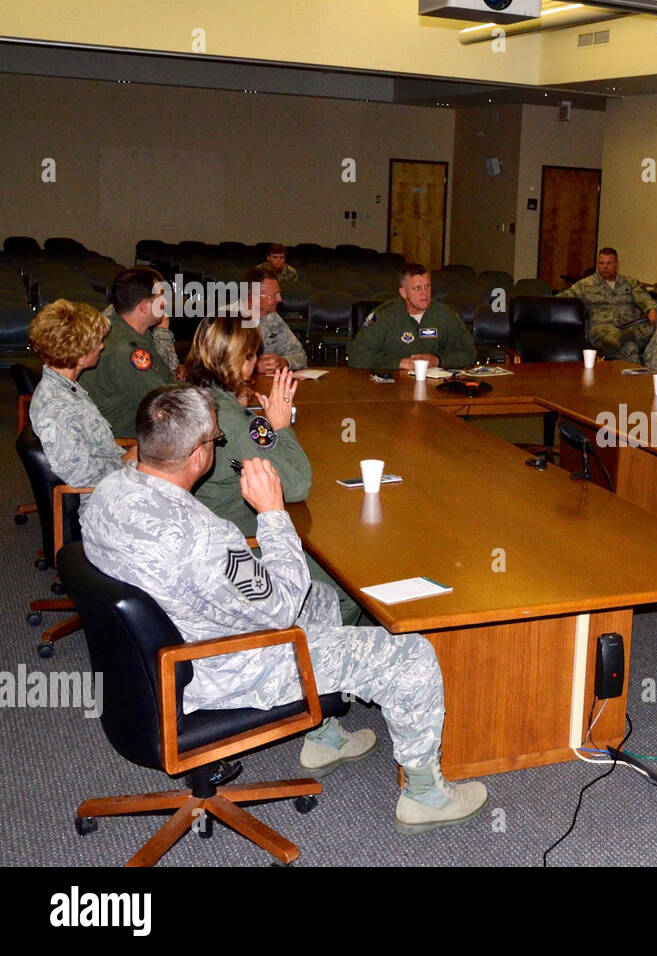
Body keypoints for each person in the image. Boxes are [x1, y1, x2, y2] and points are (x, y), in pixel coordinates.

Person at [80, 384, 487, 831]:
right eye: (215, 440)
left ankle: (324, 735)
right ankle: (426, 794)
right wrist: (272, 512)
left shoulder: (107, 492)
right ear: (198, 455)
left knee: (324, 596)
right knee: (410, 653)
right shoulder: (202, 539)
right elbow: (280, 606)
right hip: (215, 668)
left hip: (152, 655)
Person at [183, 316, 362, 627]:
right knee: (346, 589)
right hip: (240, 542)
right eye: (251, 356)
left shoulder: (187, 394)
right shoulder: (243, 425)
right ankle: (311, 656)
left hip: (201, 532)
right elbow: (296, 485)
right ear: (241, 360)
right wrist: (280, 426)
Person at [27, 299, 137, 486]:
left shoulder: (65, 386)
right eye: (98, 342)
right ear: (79, 354)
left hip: (117, 475)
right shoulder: (57, 408)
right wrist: (126, 460)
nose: (102, 346)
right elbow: (81, 476)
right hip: (106, 495)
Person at [79, 268, 179, 438]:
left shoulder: (127, 328)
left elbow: (161, 375)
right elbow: (163, 402)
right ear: (143, 307)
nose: (165, 302)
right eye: (160, 296)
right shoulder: (124, 349)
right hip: (128, 441)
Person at [348, 263, 475, 372]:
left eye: (427, 286)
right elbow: (356, 355)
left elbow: (469, 353)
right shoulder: (384, 315)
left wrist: (438, 360)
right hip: (391, 386)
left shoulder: (445, 315)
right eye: (417, 288)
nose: (424, 294)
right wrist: (399, 363)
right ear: (403, 292)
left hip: (433, 386)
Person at [558, 247, 657, 362]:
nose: (605, 267)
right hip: (602, 329)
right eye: (601, 263)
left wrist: (651, 309)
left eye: (609, 263)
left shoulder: (629, 282)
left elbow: (643, 298)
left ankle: (622, 337)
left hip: (629, 327)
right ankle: (620, 339)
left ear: (616, 264)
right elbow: (563, 298)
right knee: (626, 346)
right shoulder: (585, 285)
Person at [243, 267, 309, 371]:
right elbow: (214, 362)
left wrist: (284, 362)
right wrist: (254, 366)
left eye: (279, 294)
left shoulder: (272, 318)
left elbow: (300, 355)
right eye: (273, 296)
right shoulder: (226, 319)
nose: (280, 299)